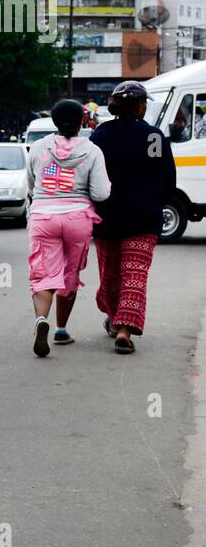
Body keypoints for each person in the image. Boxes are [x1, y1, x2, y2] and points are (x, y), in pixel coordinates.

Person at [89, 81, 177, 354]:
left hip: (107, 218)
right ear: (139, 107)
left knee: (111, 274)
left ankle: (117, 320)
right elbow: (167, 179)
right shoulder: (153, 136)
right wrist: (155, 201)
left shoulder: (101, 136)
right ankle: (123, 328)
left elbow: (91, 176)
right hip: (143, 217)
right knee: (134, 275)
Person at [24, 99, 111, 357]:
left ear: (53, 121)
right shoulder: (93, 150)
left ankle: (42, 319)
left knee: (43, 274)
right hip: (77, 218)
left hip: (43, 217)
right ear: (82, 121)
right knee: (69, 274)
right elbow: (101, 193)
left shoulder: (39, 147)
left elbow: (30, 183)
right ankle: (61, 329)